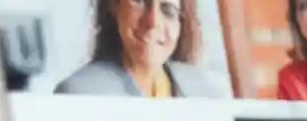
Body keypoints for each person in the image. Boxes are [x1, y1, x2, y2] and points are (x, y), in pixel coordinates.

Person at [55, 0, 226, 98]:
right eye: (140, 2)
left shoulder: (207, 94)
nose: (152, 22)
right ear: (114, 6)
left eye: (168, 11)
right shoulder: (79, 94)